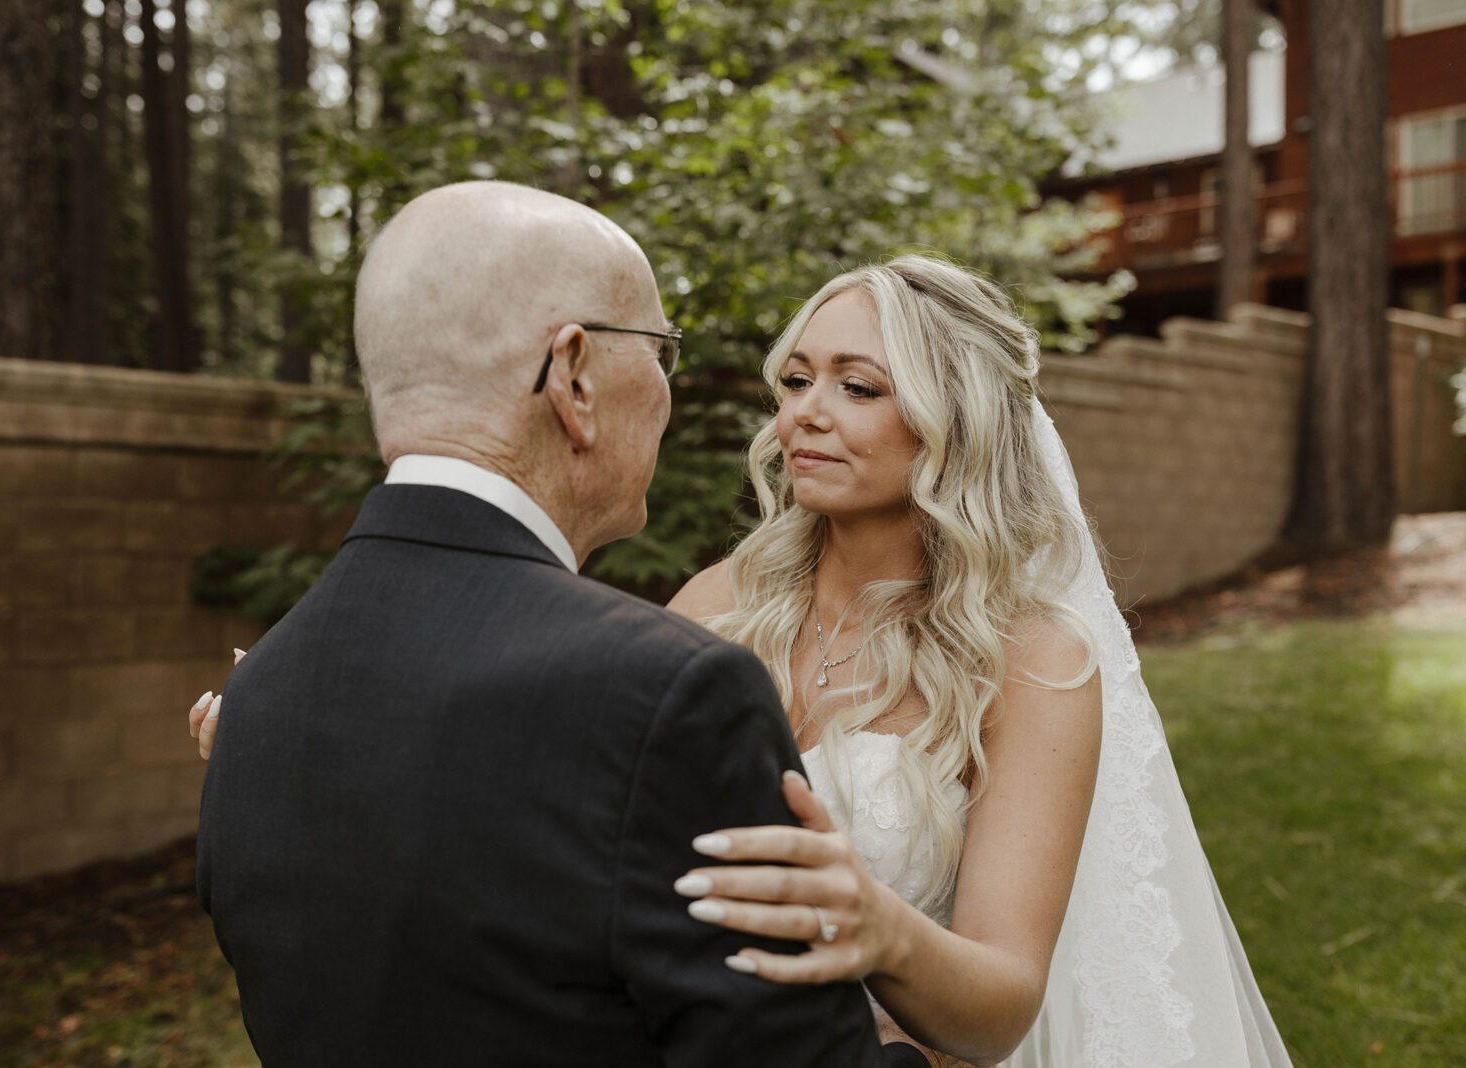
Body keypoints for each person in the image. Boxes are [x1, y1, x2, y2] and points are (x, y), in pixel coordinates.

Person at [194, 246, 1293, 1064]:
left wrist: (882, 931)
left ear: (952, 421)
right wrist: (310, 746)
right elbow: (557, 798)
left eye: (859, 387)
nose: (805, 414)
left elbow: (1003, 1003)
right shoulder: (716, 605)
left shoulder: (1033, 659)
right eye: (796, 380)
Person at [192, 180, 928, 1068]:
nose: (666, 389)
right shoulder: (672, 692)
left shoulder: (257, 697)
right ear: (573, 377)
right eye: (660, 351)